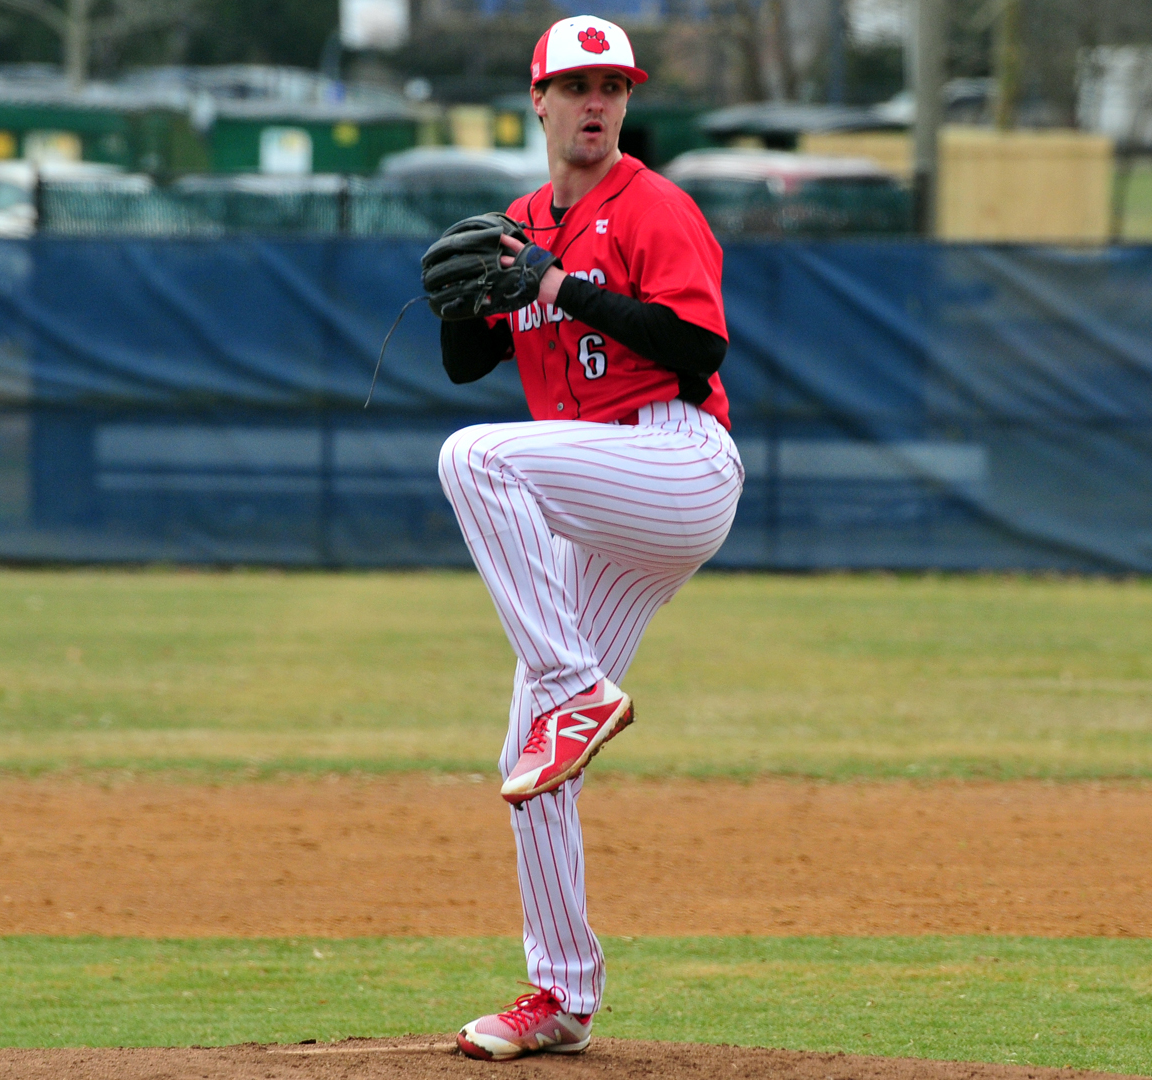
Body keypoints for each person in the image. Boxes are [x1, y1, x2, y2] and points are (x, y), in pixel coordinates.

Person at [432, 13, 744, 1063]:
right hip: (594, 491)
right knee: (532, 761)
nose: (597, 101)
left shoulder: (654, 206)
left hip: (676, 462)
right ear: (540, 100)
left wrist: (561, 286)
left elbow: (696, 341)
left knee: (475, 459)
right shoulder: (519, 221)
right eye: (577, 85)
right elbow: (469, 366)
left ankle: (577, 690)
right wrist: (464, 307)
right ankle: (561, 996)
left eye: (613, 84)